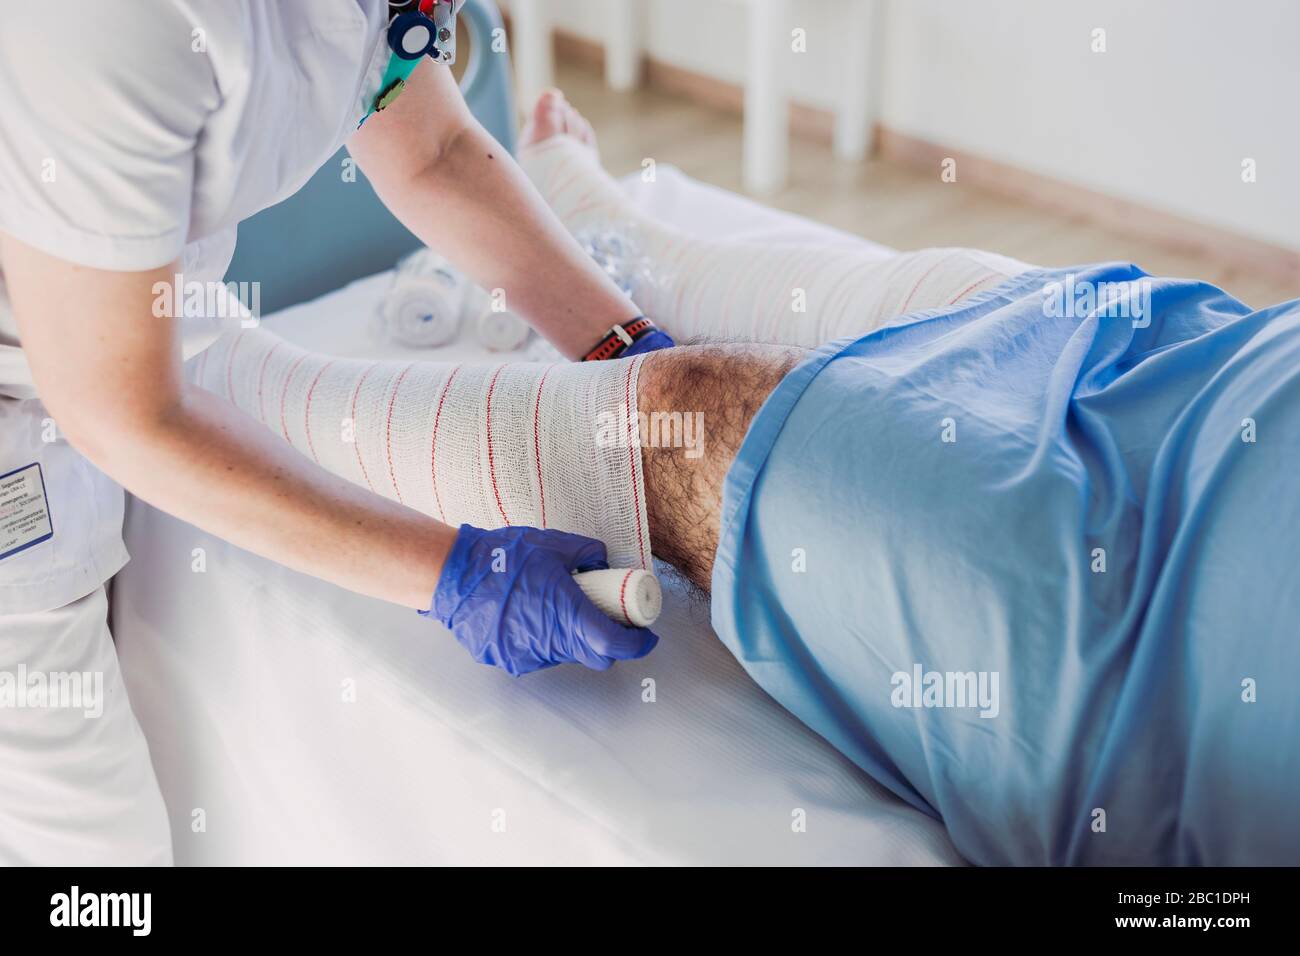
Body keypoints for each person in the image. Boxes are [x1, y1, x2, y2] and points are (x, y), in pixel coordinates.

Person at [201, 94, 1300, 866]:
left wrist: (452, 565)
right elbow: (418, 119)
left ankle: (225, 361)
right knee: (968, 295)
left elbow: (423, 127)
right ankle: (609, 224)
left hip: (1138, 656)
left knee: (687, 416)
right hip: (1223, 370)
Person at [0, 2, 662, 865]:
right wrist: (453, 574)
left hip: (124, 306)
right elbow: (121, 412)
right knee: (92, 854)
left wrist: (622, 349)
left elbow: (433, 149)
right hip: (32, 394)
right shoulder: (114, 21)